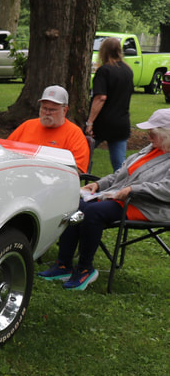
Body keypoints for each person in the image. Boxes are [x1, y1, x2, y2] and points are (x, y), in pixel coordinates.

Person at [38, 109, 170, 290]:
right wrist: (98, 185)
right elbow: (121, 175)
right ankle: (63, 265)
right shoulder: (150, 149)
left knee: (92, 212)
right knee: (75, 205)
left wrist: (134, 189)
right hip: (122, 198)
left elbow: (167, 188)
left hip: (147, 205)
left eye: (152, 133)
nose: (148, 137)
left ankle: (85, 269)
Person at [7, 85, 90, 172]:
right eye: (44, 108)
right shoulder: (27, 126)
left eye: (52, 110)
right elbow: (5, 152)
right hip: (20, 175)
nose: (47, 113)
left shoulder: (74, 134)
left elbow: (78, 171)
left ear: (65, 110)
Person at [86, 36, 134, 172]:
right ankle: (122, 188)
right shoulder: (128, 71)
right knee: (119, 165)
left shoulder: (104, 71)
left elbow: (101, 97)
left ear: (103, 51)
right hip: (122, 122)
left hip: (103, 123)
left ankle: (81, 179)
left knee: (83, 154)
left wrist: (90, 122)